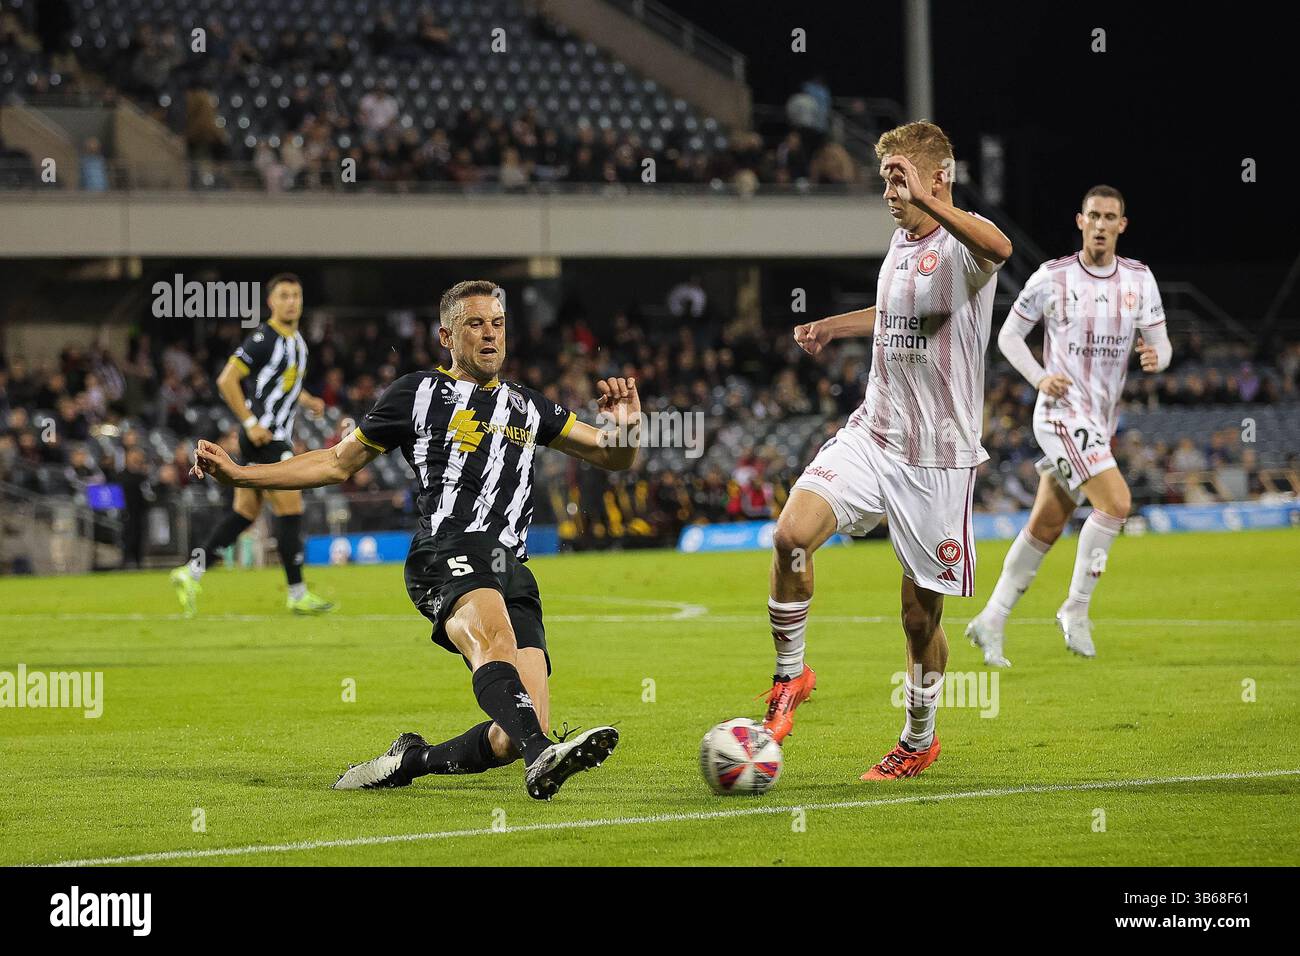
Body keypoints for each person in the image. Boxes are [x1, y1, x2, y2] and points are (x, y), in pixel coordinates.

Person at [189, 280, 642, 800]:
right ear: (447, 336)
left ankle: (412, 761)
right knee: (498, 651)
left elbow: (613, 456)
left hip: (512, 565)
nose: (490, 334)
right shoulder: (417, 392)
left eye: (497, 323)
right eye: (476, 324)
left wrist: (628, 426)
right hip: (448, 548)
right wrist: (241, 474)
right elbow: (337, 462)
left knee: (515, 729)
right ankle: (542, 757)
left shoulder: (528, 405)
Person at [758, 120, 1011, 780]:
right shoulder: (901, 244)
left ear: (938, 179)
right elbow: (899, 316)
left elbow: (1002, 247)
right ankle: (791, 676)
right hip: (874, 434)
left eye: (898, 178)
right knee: (789, 536)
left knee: (917, 619)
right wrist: (832, 328)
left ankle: (919, 736)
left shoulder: (960, 249)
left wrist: (933, 203)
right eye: (886, 181)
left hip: (936, 460)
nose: (888, 192)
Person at [967, 185, 1171, 664]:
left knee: (1048, 523)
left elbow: (1162, 347)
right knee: (1117, 503)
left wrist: (1154, 358)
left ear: (1123, 225)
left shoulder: (1139, 280)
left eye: (1110, 217)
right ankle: (1076, 608)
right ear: (1080, 221)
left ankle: (990, 619)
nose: (1100, 224)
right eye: (1093, 216)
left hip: (1100, 421)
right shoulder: (1052, 278)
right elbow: (1009, 336)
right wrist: (1040, 377)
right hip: (1060, 416)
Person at [169, 274, 333, 615]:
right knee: (291, 511)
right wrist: (249, 421)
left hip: (270, 437)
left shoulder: (297, 342)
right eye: (284, 295)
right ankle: (297, 593)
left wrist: (308, 400)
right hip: (266, 440)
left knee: (243, 515)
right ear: (271, 302)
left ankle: (191, 570)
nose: (291, 301)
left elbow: (281, 384)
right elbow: (226, 380)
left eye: (296, 295)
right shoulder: (264, 338)